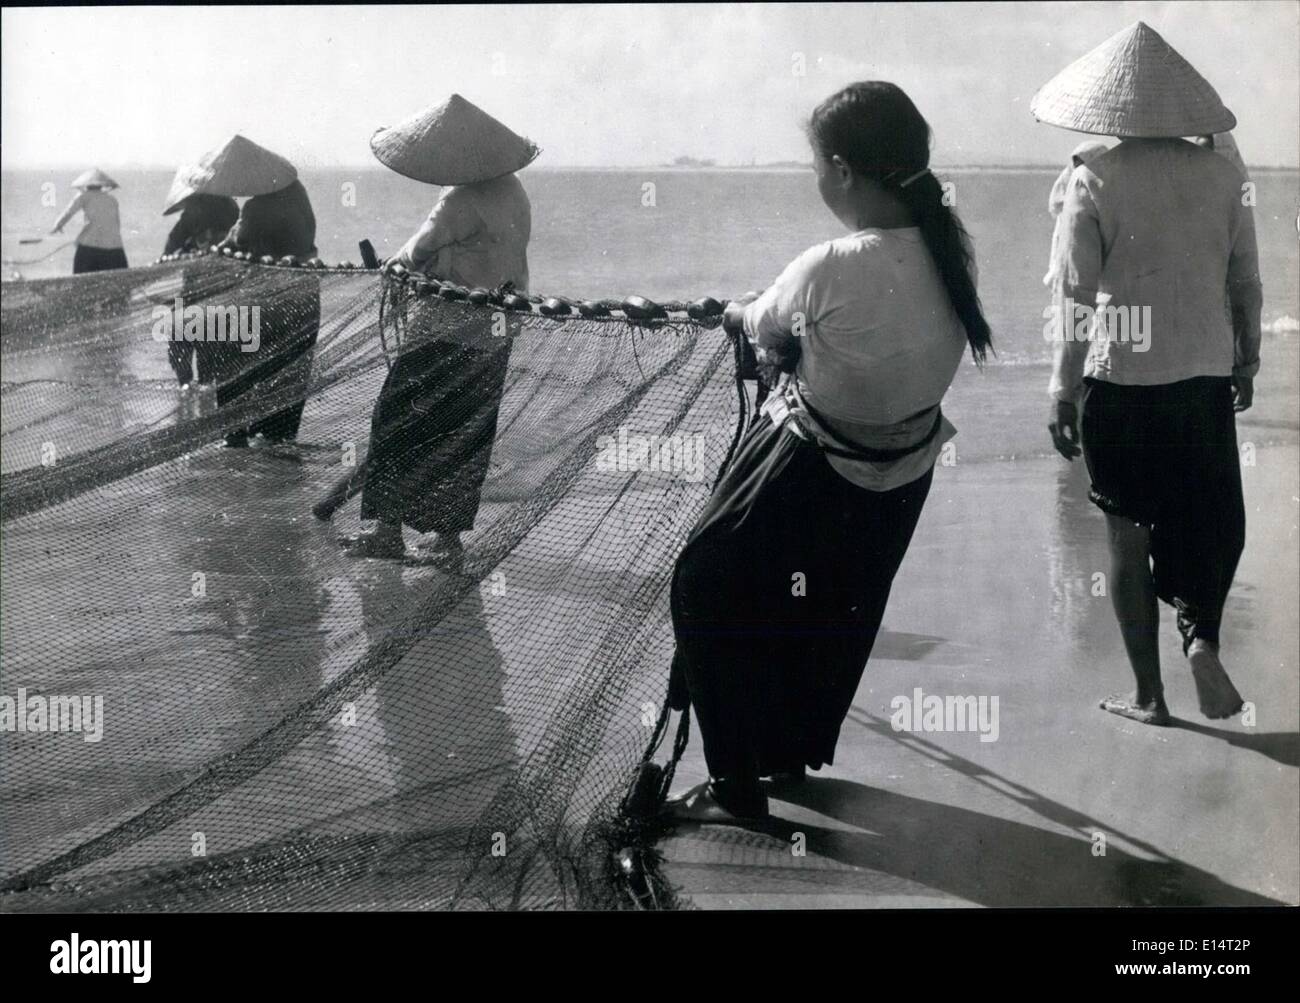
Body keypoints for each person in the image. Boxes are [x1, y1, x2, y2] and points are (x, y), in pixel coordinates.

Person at [664, 81, 992, 822]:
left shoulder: (832, 263)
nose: (816, 180)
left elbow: (761, 324)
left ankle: (734, 787)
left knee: (705, 582)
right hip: (904, 473)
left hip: (814, 464)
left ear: (843, 170)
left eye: (816, 165)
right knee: (827, 607)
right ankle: (783, 753)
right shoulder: (950, 252)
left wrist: (740, 313)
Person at [1032, 22, 1262, 725]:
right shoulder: (1227, 173)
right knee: (1208, 522)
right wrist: (1246, 357)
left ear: (1111, 113)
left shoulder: (1090, 175)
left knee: (1127, 538)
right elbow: (1245, 280)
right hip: (1200, 377)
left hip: (1120, 384)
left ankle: (1149, 696)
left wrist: (1062, 390)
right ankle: (1200, 639)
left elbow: (1072, 298)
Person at [335, 94, 537, 561]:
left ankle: (387, 531)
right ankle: (447, 539)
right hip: (494, 330)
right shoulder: (514, 191)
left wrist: (394, 268)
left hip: (446, 330)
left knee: (396, 419)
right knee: (466, 431)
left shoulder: (461, 201)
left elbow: (415, 254)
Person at [187, 135, 319, 447]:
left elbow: (235, 242)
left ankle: (236, 443)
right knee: (289, 373)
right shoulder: (298, 194)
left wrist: (213, 248)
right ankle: (278, 456)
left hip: (265, 299)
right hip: (304, 295)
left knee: (235, 367)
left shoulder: (258, 209)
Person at [161, 168, 240, 388]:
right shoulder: (231, 207)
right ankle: (206, 393)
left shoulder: (193, 209)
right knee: (211, 351)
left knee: (180, 345)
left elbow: (171, 247)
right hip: (223, 290)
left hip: (192, 289)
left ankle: (185, 389)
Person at [1043, 141, 1108, 287]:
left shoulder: (1105, 198)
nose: (1079, 169)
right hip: (1067, 275)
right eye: (1076, 165)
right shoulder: (1068, 195)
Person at [51, 168, 128, 274]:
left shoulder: (83, 196)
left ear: (86, 185)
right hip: (115, 248)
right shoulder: (112, 199)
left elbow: (68, 212)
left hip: (91, 248)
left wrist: (58, 226)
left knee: (81, 278)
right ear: (102, 186)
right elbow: (117, 223)